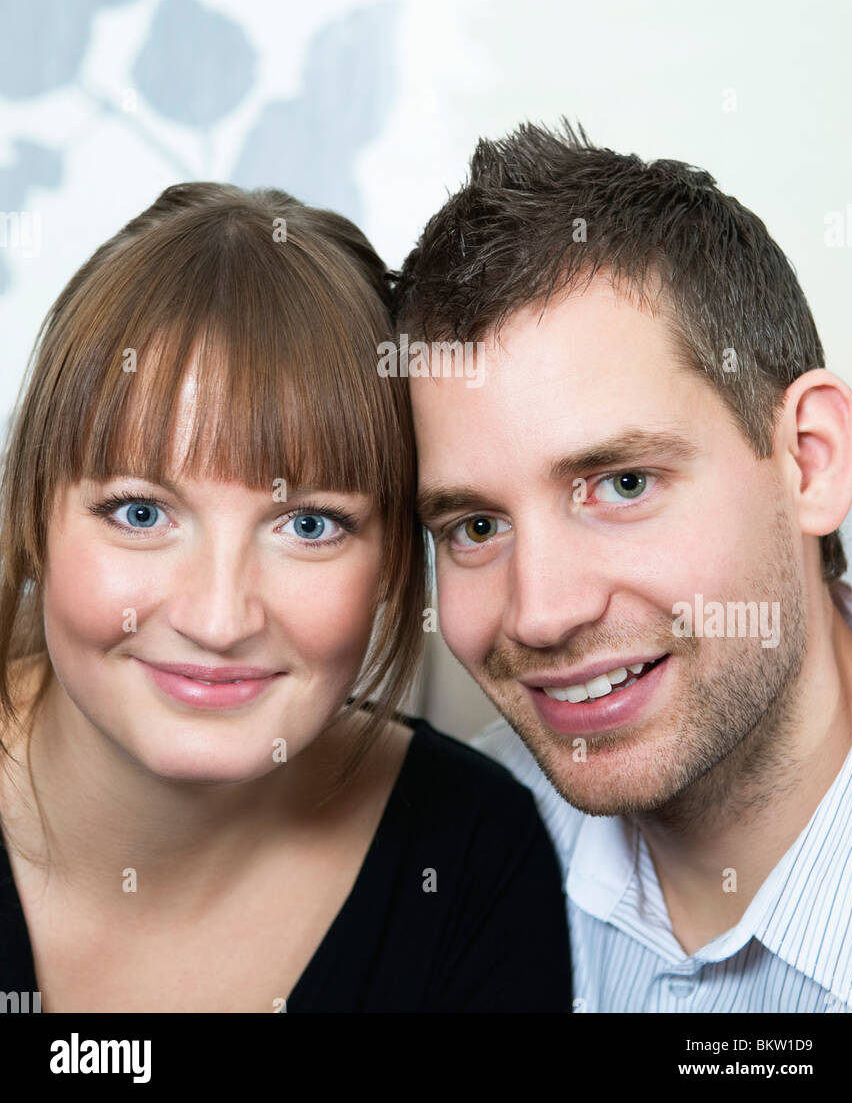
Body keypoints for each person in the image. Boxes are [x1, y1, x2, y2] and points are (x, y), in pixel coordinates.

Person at [0, 180, 572, 1014]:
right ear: (36, 521)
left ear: (389, 563)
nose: (218, 619)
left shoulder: (471, 857)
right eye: (141, 512)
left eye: (309, 526)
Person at [395, 120, 852, 1013]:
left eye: (621, 483)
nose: (540, 613)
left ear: (810, 460)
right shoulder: (436, 860)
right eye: (475, 526)